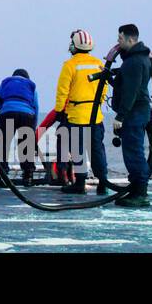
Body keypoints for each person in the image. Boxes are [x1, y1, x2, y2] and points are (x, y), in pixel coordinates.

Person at [54, 29, 109, 195]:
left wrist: (58, 111)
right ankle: (103, 183)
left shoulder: (69, 65)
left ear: (75, 45)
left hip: (76, 115)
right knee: (97, 150)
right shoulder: (99, 64)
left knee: (78, 150)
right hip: (95, 116)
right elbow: (104, 88)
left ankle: (80, 183)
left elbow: (62, 91)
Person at [109, 24, 152, 208]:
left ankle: (140, 193)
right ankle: (136, 189)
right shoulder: (137, 60)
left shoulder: (135, 62)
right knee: (132, 152)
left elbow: (131, 92)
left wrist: (120, 116)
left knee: (134, 152)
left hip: (134, 114)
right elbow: (127, 84)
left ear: (131, 39)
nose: (118, 43)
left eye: (120, 39)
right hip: (137, 112)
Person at [0, 69, 38, 187]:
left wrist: (5, 110)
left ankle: (2, 174)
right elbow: (35, 106)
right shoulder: (30, 85)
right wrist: (33, 126)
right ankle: (28, 175)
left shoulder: (6, 82)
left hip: (8, 112)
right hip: (27, 115)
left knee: (3, 144)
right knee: (25, 145)